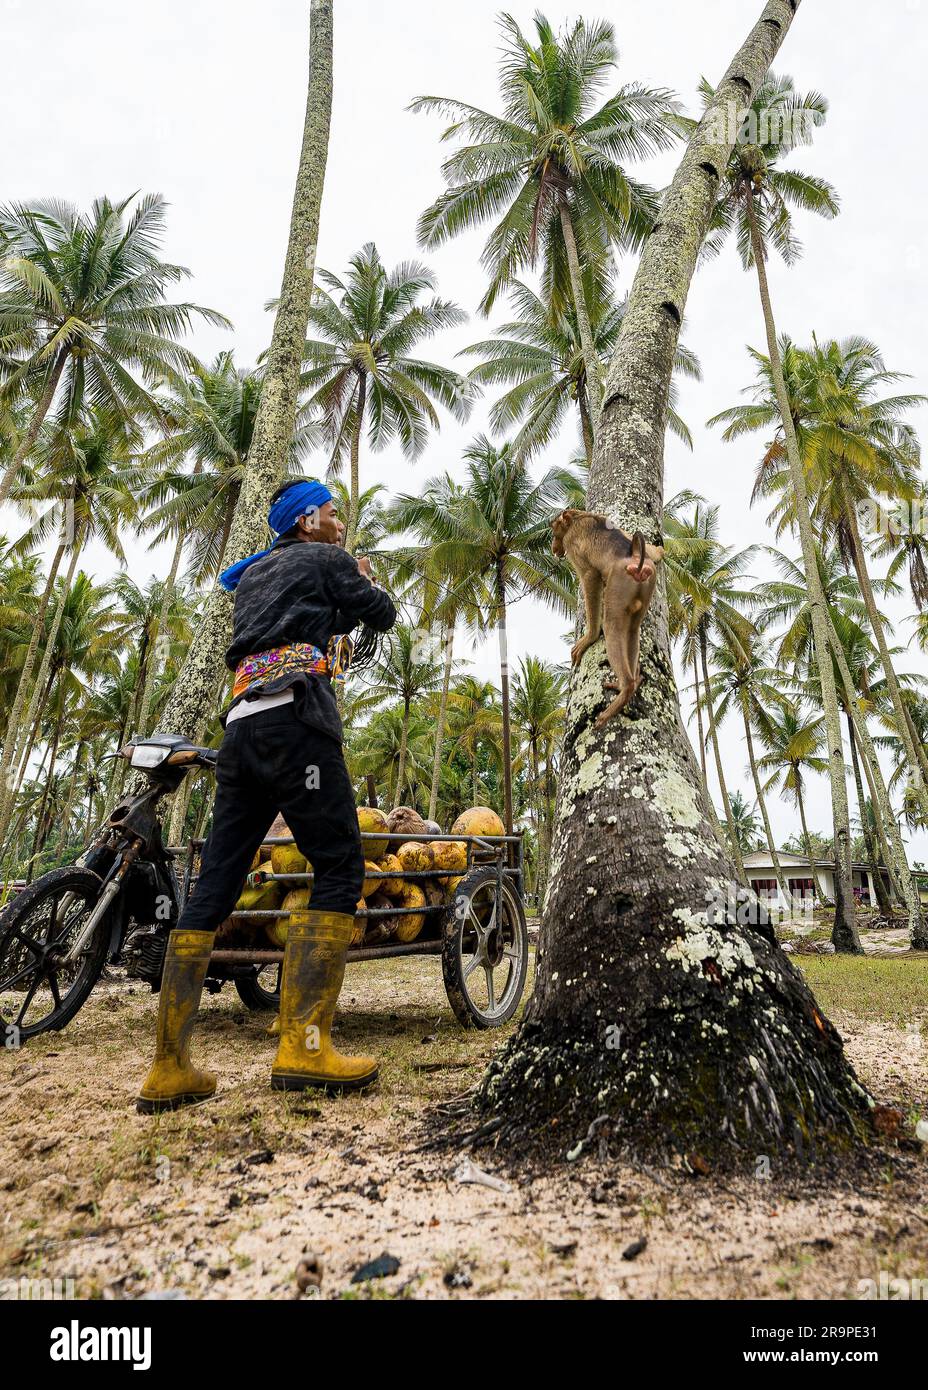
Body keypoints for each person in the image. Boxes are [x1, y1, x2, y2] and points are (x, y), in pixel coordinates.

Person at [136, 478, 396, 1113]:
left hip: (242, 728)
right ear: (307, 521)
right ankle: (305, 1047)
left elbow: (301, 622)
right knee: (338, 866)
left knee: (214, 888)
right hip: (296, 727)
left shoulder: (253, 577)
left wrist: (338, 603)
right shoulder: (328, 557)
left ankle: (169, 1067)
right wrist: (364, 580)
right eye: (332, 513)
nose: (339, 521)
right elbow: (381, 616)